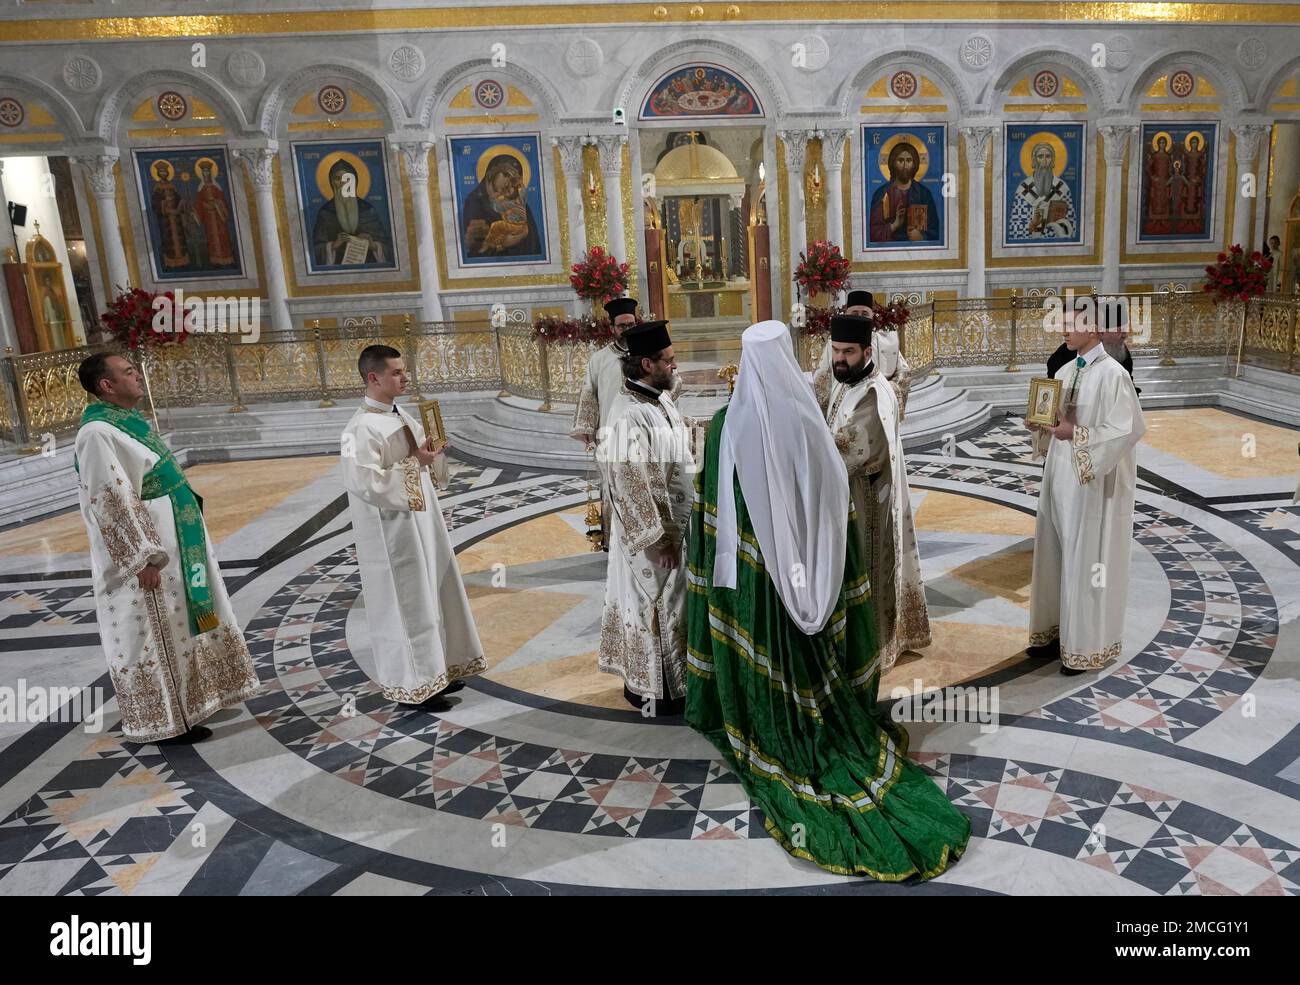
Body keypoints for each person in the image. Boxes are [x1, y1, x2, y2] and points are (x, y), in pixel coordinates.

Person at [686, 319, 970, 878]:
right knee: (810, 661)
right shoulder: (807, 420)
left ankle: (763, 718)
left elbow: (709, 508)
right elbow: (830, 501)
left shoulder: (723, 425)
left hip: (748, 581)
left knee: (761, 654)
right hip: (806, 575)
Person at [74, 353, 259, 744]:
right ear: (105, 385)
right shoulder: (96, 433)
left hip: (176, 535)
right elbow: (109, 499)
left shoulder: (124, 421)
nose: (136, 376)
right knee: (154, 626)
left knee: (182, 619)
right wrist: (142, 557)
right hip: (149, 551)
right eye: (127, 372)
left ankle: (192, 702)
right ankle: (165, 721)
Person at [341, 345, 485, 706]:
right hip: (393, 532)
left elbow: (422, 462)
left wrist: (431, 454)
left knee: (434, 591)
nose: (405, 378)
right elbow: (365, 484)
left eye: (404, 370)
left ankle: (440, 669)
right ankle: (417, 685)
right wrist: (415, 462)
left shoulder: (399, 412)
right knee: (408, 605)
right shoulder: (358, 430)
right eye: (396, 372)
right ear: (373, 378)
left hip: (423, 521)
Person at [1026, 307, 1147, 674]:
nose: (1063, 329)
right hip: (1059, 475)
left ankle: (1086, 646)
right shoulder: (1064, 371)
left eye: (1071, 324)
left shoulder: (1114, 376)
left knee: (1087, 559)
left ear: (1092, 328)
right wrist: (1039, 424)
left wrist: (1076, 434)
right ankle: (1055, 633)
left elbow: (1128, 430)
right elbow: (1053, 422)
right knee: (1055, 552)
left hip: (1094, 483)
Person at [818, 313, 930, 670]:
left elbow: (847, 450)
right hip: (848, 494)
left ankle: (873, 647)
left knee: (870, 569)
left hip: (866, 500)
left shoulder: (872, 394)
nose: (839, 359)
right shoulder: (845, 382)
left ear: (868, 352)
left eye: (847, 352)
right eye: (835, 350)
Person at [596, 320, 693, 714]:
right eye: (667, 361)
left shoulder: (659, 400)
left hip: (674, 526)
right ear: (646, 363)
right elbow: (630, 484)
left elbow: (681, 443)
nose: (674, 366)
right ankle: (656, 690)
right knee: (655, 603)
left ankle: (678, 680)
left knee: (674, 602)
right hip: (652, 536)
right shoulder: (626, 415)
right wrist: (658, 540)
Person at [571, 297, 680, 549]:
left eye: (631, 323)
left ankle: (649, 540)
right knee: (615, 487)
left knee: (647, 485)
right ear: (612, 327)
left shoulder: (648, 351)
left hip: (646, 432)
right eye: (621, 326)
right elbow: (589, 393)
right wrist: (586, 426)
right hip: (609, 435)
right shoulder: (599, 360)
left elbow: (668, 384)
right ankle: (615, 543)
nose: (627, 329)